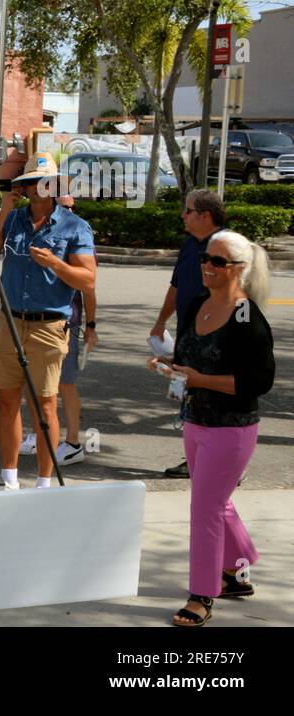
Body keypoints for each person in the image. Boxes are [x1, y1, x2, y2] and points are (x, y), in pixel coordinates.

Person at [148, 231, 272, 627]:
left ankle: (202, 594)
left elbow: (256, 382)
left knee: (204, 509)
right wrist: (169, 363)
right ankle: (238, 569)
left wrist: (200, 380)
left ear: (239, 269)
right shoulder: (200, 303)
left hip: (231, 429)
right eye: (205, 258)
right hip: (196, 420)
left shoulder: (246, 317)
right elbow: (189, 355)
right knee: (216, 500)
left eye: (218, 261)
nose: (207, 266)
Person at [0, 152, 96, 490]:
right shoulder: (14, 218)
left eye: (44, 181)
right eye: (31, 182)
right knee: (7, 400)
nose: (38, 188)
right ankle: (9, 479)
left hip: (48, 324)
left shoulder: (74, 226)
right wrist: (7, 201)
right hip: (10, 320)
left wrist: (55, 263)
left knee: (45, 403)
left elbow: (87, 280)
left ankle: (43, 482)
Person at [150, 189, 226, 479]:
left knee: (213, 400)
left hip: (215, 339)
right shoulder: (188, 245)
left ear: (205, 216)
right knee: (189, 398)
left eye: (188, 210)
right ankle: (195, 458)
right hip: (186, 338)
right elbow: (176, 286)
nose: (183, 215)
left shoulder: (227, 247)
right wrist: (160, 322)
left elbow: (244, 295)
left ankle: (225, 463)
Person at [20, 286, 98, 465]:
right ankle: (38, 435)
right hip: (31, 317)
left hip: (65, 321)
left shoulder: (78, 256)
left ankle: (73, 444)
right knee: (31, 381)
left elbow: (88, 286)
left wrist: (91, 326)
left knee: (64, 382)